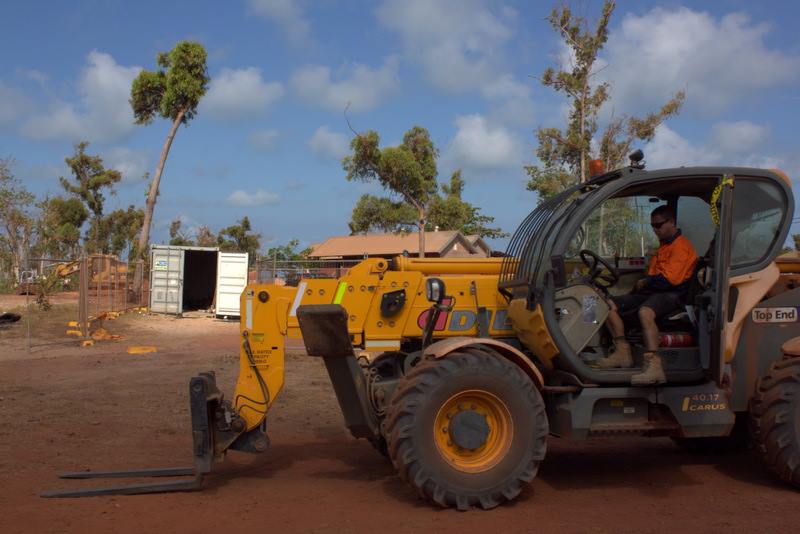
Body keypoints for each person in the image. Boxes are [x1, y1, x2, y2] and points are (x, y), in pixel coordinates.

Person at [595, 205, 698, 385]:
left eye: (659, 225)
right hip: (656, 292)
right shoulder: (663, 247)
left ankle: (654, 366)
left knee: (645, 312)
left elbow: (669, 281)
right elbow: (652, 276)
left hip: (674, 294)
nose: (655, 230)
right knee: (608, 304)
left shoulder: (681, 246)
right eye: (653, 226)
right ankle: (622, 352)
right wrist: (640, 285)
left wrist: (646, 282)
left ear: (672, 222)